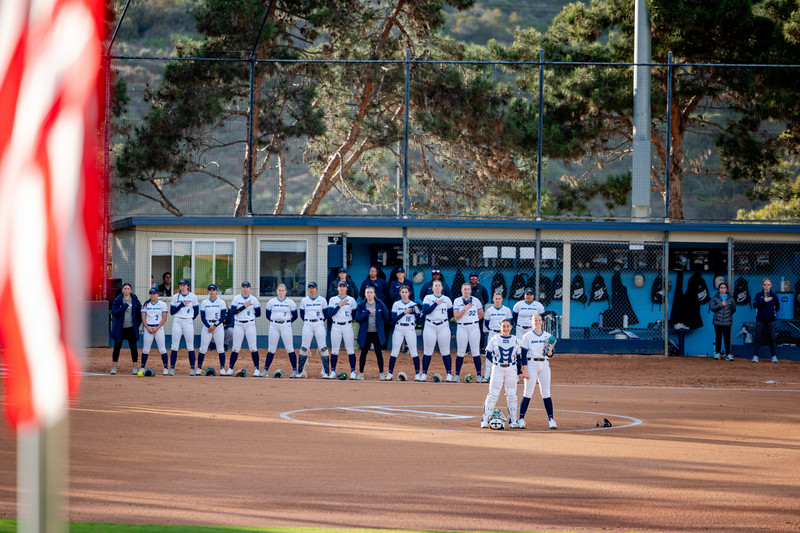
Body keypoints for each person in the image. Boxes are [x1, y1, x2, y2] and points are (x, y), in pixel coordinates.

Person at [480, 318, 525, 429]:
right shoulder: (494, 339)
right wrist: (496, 363)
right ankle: (484, 420)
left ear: (511, 327)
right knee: (493, 394)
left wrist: (519, 371)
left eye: (507, 326)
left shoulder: (516, 340)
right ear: (500, 327)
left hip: (511, 369)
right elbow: (488, 354)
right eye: (503, 326)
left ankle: (513, 421)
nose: (505, 328)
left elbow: (519, 357)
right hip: (498, 369)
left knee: (512, 395)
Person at [518, 314, 557, 429]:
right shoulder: (527, 336)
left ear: (542, 322)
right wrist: (525, 369)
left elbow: (551, 353)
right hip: (531, 364)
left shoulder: (547, 336)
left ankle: (551, 419)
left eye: (539, 320)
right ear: (531, 322)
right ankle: (521, 419)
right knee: (528, 392)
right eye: (535, 320)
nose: (537, 322)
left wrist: (550, 352)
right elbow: (523, 354)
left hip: (544, 364)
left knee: (546, 392)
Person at [354, 286, 391, 380]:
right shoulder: (361, 305)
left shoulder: (380, 304)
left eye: (371, 292)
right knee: (363, 352)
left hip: (376, 333)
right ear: (365, 294)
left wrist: (380, 325)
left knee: (378, 353)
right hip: (366, 333)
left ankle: (381, 373)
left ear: (374, 294)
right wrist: (367, 312)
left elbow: (386, 316)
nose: (369, 294)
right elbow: (357, 318)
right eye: (367, 292)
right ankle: (361, 373)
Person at [421, 279, 454, 381]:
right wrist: (435, 304)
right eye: (435, 285)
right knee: (428, 351)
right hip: (430, 325)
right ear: (432, 288)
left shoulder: (447, 299)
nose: (437, 287)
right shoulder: (428, 298)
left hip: (443, 326)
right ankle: (424, 374)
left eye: (439, 285)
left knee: (445, 351)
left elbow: (451, 314)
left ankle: (449, 374)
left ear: (442, 288)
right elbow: (425, 311)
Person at [453, 283, 484, 382]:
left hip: (474, 327)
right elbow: (456, 318)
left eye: (468, 289)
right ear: (461, 290)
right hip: (462, 327)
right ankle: (457, 375)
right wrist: (464, 310)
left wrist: (472, 320)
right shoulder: (457, 301)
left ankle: (479, 375)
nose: (466, 291)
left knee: (475, 352)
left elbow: (481, 315)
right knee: (461, 352)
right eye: (464, 289)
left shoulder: (476, 301)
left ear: (470, 291)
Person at [265, 283, 299, 376]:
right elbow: (268, 315)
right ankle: (265, 370)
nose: (281, 292)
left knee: (290, 348)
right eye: (279, 290)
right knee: (271, 349)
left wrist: (286, 322)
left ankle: (294, 370)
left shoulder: (290, 302)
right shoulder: (271, 302)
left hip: (286, 327)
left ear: (286, 292)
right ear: (276, 291)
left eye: (282, 290)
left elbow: (295, 316)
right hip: (274, 326)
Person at [388, 286, 421, 380]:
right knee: (394, 351)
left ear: (409, 293)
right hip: (399, 328)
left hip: (410, 328)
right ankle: (390, 373)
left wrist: (417, 313)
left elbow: (419, 320)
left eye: (406, 292)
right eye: (402, 292)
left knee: (414, 352)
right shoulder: (396, 304)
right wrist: (404, 312)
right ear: (400, 293)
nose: (404, 294)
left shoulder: (413, 304)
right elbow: (394, 319)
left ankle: (417, 374)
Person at [327, 281, 358, 378]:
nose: (341, 288)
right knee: (335, 350)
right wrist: (339, 306)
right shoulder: (333, 299)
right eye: (340, 286)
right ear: (337, 288)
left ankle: (353, 371)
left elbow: (354, 314)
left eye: (343, 286)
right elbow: (330, 313)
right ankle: (333, 371)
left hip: (347, 326)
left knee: (350, 350)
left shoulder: (351, 300)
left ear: (346, 288)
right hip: (336, 326)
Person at [228, 281, 260, 376]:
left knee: (253, 347)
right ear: (241, 288)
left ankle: (257, 369)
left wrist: (250, 316)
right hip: (239, 324)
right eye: (244, 287)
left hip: (250, 325)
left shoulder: (253, 299)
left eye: (247, 287)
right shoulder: (236, 298)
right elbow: (232, 312)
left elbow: (258, 313)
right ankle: (230, 369)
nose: (245, 289)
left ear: (249, 288)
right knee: (235, 348)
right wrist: (243, 307)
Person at [298, 281, 330, 378]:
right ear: (308, 289)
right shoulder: (304, 300)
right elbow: (302, 315)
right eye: (310, 288)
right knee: (304, 348)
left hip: (319, 324)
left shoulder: (322, 300)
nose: (311, 290)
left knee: (323, 348)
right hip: (307, 324)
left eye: (313, 288)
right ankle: (300, 371)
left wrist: (318, 321)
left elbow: (325, 314)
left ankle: (326, 372)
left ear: (316, 289)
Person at [110, 282, 142, 375]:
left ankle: (135, 367)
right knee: (117, 348)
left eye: (128, 289)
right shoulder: (118, 300)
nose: (126, 290)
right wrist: (124, 306)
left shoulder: (135, 299)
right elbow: (114, 313)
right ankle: (114, 367)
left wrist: (137, 324)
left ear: (130, 290)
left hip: (131, 328)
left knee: (133, 348)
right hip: (120, 328)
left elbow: (140, 312)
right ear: (122, 290)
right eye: (125, 288)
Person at [169, 279, 199, 375]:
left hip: (188, 321)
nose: (182, 287)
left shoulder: (193, 297)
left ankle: (192, 369)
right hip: (177, 321)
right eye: (180, 285)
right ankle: (172, 368)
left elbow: (196, 311)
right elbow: (172, 312)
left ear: (187, 286)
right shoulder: (175, 297)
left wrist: (190, 318)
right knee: (174, 346)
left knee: (190, 346)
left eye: (184, 285)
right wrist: (180, 305)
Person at [198, 284, 228, 375]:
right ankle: (199, 368)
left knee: (220, 348)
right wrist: (209, 326)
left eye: (213, 290)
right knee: (203, 349)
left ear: (216, 291)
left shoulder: (221, 302)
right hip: (207, 327)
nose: (212, 292)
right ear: (208, 291)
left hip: (218, 327)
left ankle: (222, 368)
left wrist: (214, 326)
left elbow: (222, 317)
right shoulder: (204, 302)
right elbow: (203, 317)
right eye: (210, 290)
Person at [483, 291, 513, 383]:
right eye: (496, 298)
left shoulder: (507, 310)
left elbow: (510, 323)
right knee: (489, 353)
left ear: (502, 299)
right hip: (492, 333)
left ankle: (504, 376)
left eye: (499, 299)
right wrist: (493, 329)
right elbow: (486, 323)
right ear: (493, 299)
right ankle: (487, 375)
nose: (497, 300)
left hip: (503, 334)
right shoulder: (489, 310)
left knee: (503, 353)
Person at [140, 287, 168, 374]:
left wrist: (157, 328)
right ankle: (142, 367)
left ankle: (166, 368)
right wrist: (148, 328)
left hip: (158, 329)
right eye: (151, 294)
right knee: (145, 349)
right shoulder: (146, 305)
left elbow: (164, 318)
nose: (152, 295)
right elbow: (143, 318)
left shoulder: (162, 304)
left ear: (157, 294)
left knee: (162, 349)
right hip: (148, 329)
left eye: (154, 294)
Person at [753, 278, 780, 363]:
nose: (767, 286)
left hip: (770, 320)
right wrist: (763, 301)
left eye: (768, 284)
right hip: (760, 320)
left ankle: (774, 356)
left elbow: (777, 307)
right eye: (765, 284)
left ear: (771, 285)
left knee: (772, 338)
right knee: (758, 338)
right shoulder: (758, 295)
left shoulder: (773, 295)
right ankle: (756, 356)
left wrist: (771, 314)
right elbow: (755, 305)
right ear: (762, 285)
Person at [709, 282, 736, 361]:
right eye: (721, 288)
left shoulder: (730, 298)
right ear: (719, 289)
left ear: (726, 289)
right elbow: (712, 308)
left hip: (727, 322)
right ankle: (718, 353)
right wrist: (721, 304)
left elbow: (733, 309)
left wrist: (728, 315)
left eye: (724, 288)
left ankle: (728, 354)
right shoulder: (715, 298)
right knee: (718, 338)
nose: (723, 289)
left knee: (727, 338)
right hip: (717, 321)